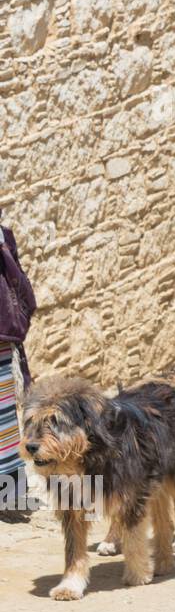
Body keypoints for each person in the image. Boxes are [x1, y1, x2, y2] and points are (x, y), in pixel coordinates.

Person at [0, 211, 35, 522]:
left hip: (1, 337)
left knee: (5, 419)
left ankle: (9, 495)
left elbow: (17, 284)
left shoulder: (4, 238)